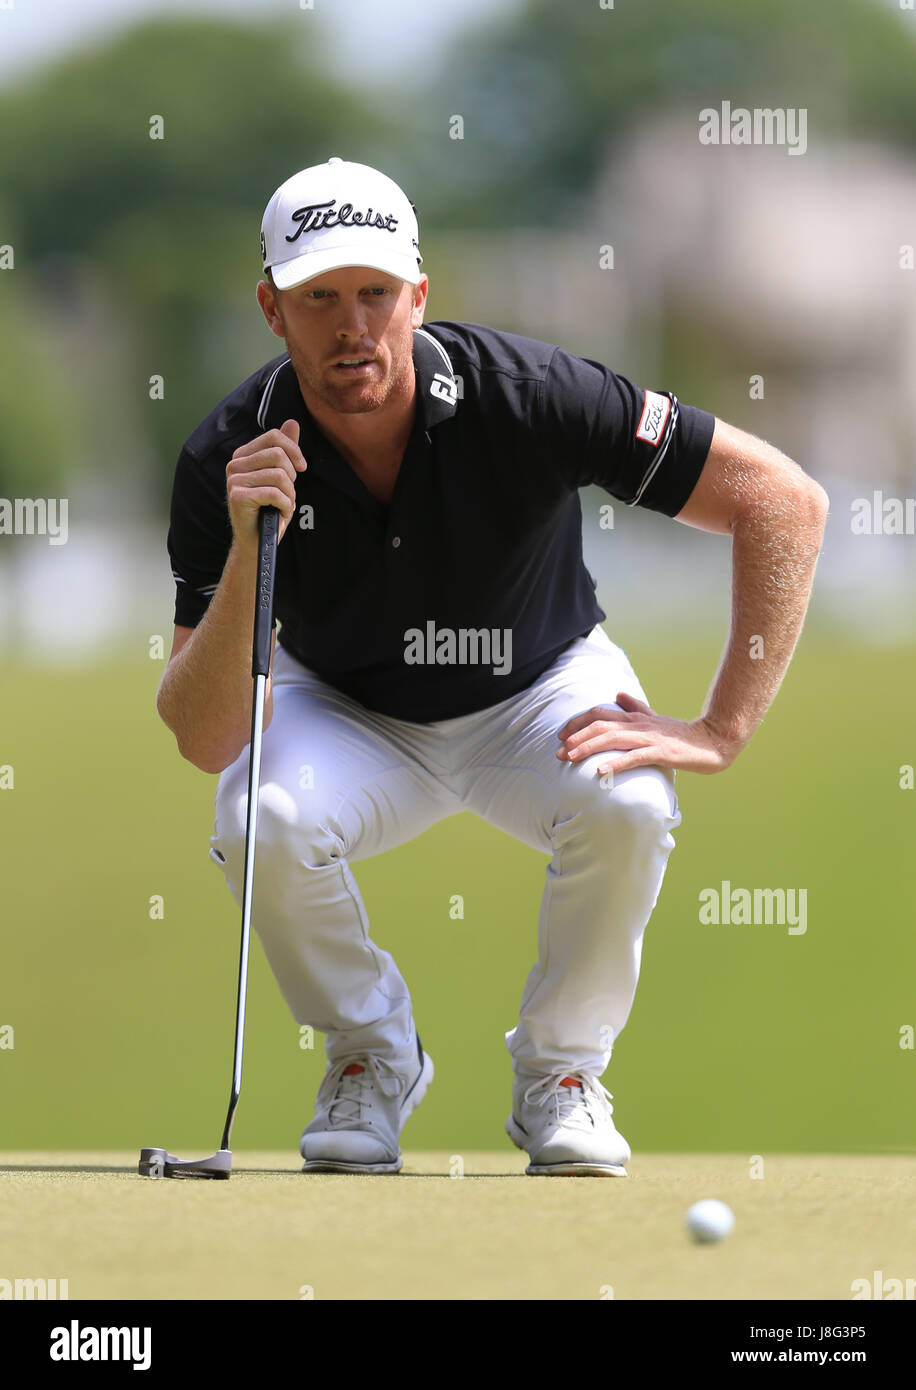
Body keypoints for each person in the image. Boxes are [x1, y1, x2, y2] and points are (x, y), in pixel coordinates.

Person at [158, 157, 828, 1176]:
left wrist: (719, 726)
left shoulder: (531, 395)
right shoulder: (226, 457)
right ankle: (371, 1053)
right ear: (272, 310)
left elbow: (781, 500)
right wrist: (256, 543)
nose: (353, 326)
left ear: (419, 296)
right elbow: (206, 736)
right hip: (347, 709)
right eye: (319, 298)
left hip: (539, 690)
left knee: (631, 804)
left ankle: (560, 1073)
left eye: (377, 293)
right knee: (260, 817)